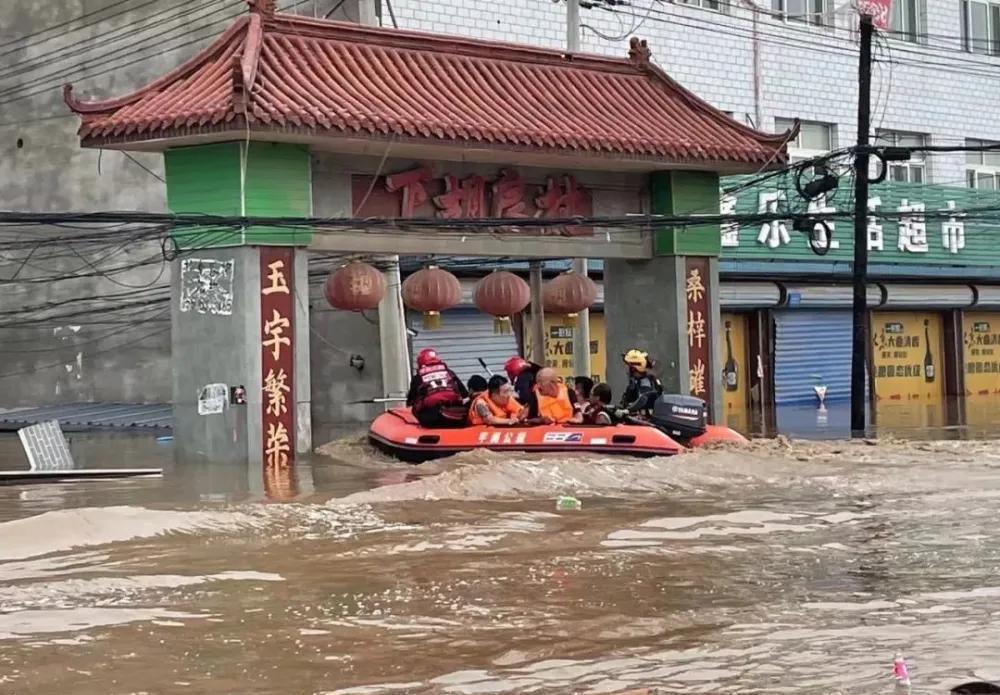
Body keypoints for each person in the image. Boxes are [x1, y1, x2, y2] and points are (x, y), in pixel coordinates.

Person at [406, 348, 469, 428]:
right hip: (456, 415)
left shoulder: (418, 377)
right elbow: (465, 394)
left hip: (432, 417)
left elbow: (410, 401)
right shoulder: (449, 372)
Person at [620, 349, 662, 414]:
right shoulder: (637, 382)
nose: (626, 368)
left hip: (643, 422)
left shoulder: (645, 384)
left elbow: (643, 402)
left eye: (628, 365)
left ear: (634, 368)